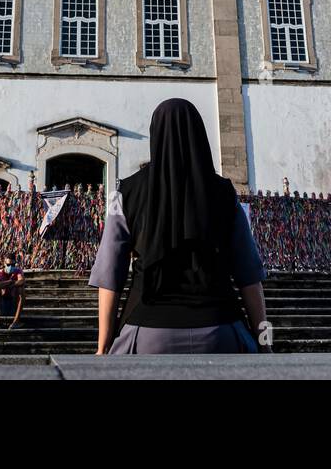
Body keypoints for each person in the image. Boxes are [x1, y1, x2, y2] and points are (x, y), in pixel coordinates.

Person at [89, 97, 268, 354]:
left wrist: (102, 346)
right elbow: (250, 277)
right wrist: (266, 343)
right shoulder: (225, 194)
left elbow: (109, 276)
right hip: (221, 329)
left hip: (146, 331)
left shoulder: (125, 193)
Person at [0, 252, 25, 329]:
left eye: (12, 265)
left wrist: (8, 285)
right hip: (1, 303)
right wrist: (9, 282)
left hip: (13, 301)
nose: (10, 267)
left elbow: (21, 281)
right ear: (4, 263)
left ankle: (16, 321)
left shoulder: (18, 271)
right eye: (8, 265)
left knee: (21, 288)